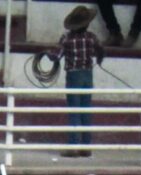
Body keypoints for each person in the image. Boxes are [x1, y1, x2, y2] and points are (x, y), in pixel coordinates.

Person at [58, 5, 103, 156]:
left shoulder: (66, 39)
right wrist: (99, 60)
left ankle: (73, 145)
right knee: (86, 109)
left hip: (73, 75)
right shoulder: (91, 37)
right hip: (87, 75)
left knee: (74, 110)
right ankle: (86, 145)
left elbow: (58, 56)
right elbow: (101, 51)